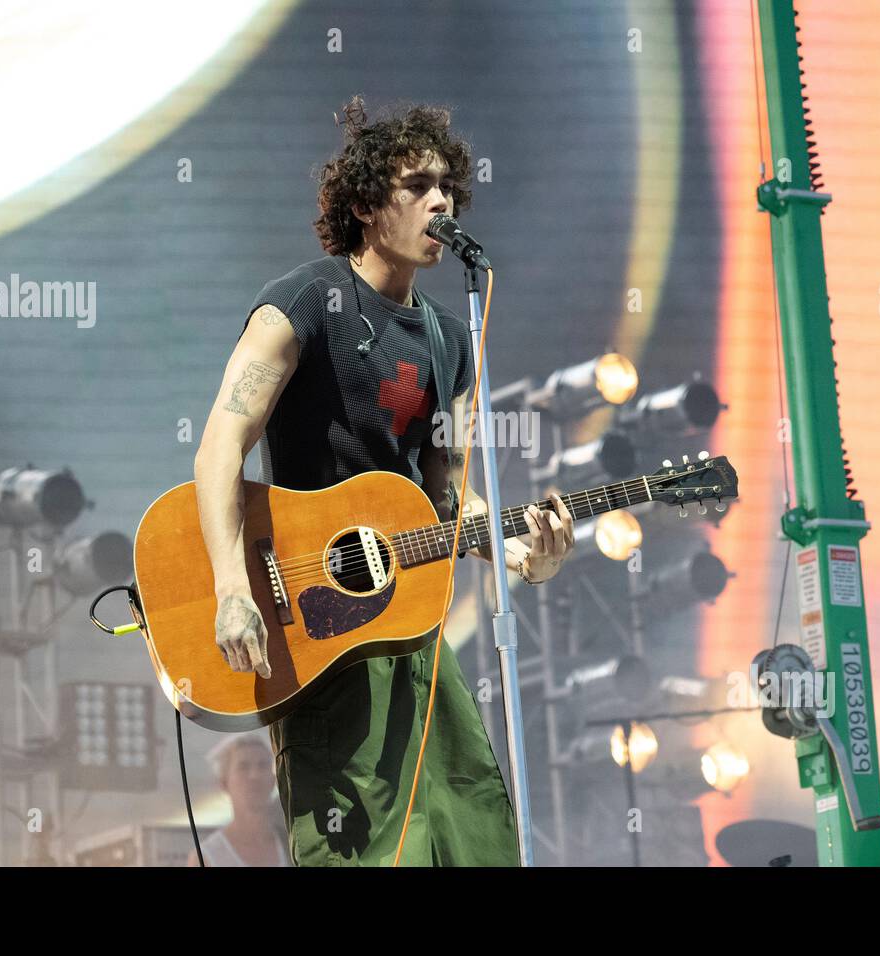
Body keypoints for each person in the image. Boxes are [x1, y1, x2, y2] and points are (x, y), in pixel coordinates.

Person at [192, 95, 575, 866]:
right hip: (312, 624)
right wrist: (233, 588)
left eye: (450, 190)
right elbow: (218, 449)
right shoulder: (303, 302)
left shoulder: (448, 341)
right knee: (357, 848)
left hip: (410, 622)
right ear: (367, 205)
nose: (442, 203)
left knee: (470, 826)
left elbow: (447, 501)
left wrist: (519, 554)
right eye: (419, 186)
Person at [187, 733, 290, 867]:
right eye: (243, 767)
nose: (255, 775)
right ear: (224, 783)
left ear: (273, 780)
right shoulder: (205, 857)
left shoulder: (293, 845)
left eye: (263, 765)